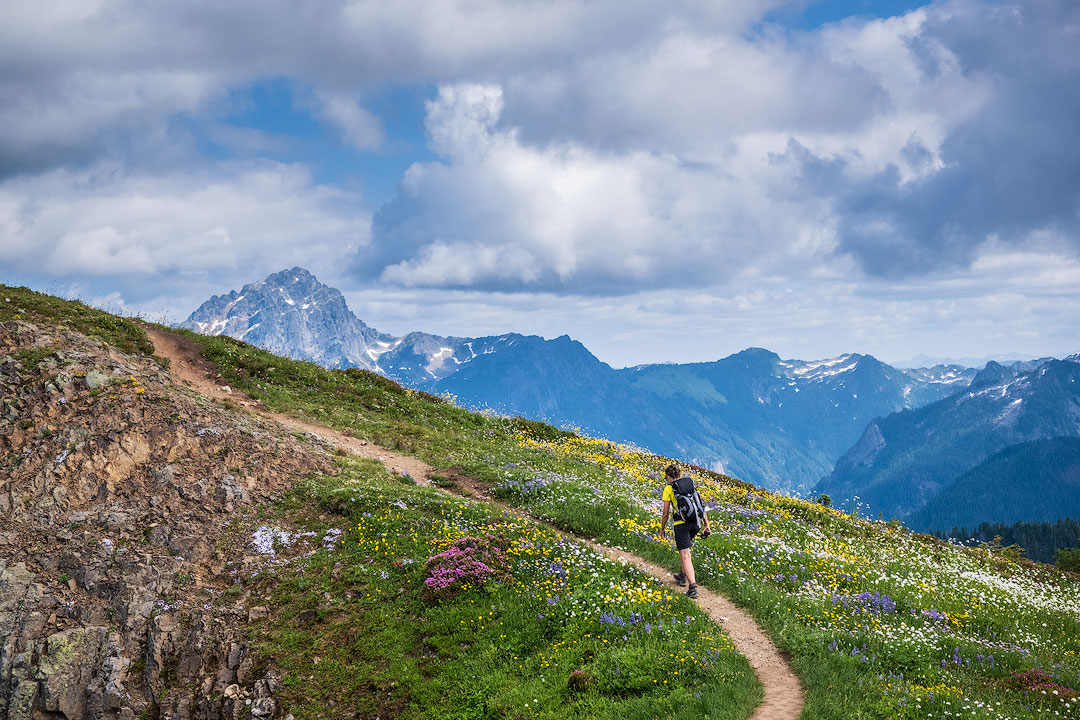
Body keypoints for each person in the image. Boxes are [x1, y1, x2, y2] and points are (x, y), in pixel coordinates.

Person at [659, 463, 711, 598]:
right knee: (686, 550)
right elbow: (699, 504)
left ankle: (692, 587)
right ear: (679, 475)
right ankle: (682, 576)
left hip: (681, 524)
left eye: (666, 477)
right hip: (696, 523)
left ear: (669, 477)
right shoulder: (689, 485)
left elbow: (665, 513)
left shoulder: (669, 489)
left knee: (685, 554)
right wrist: (707, 525)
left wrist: (662, 529)